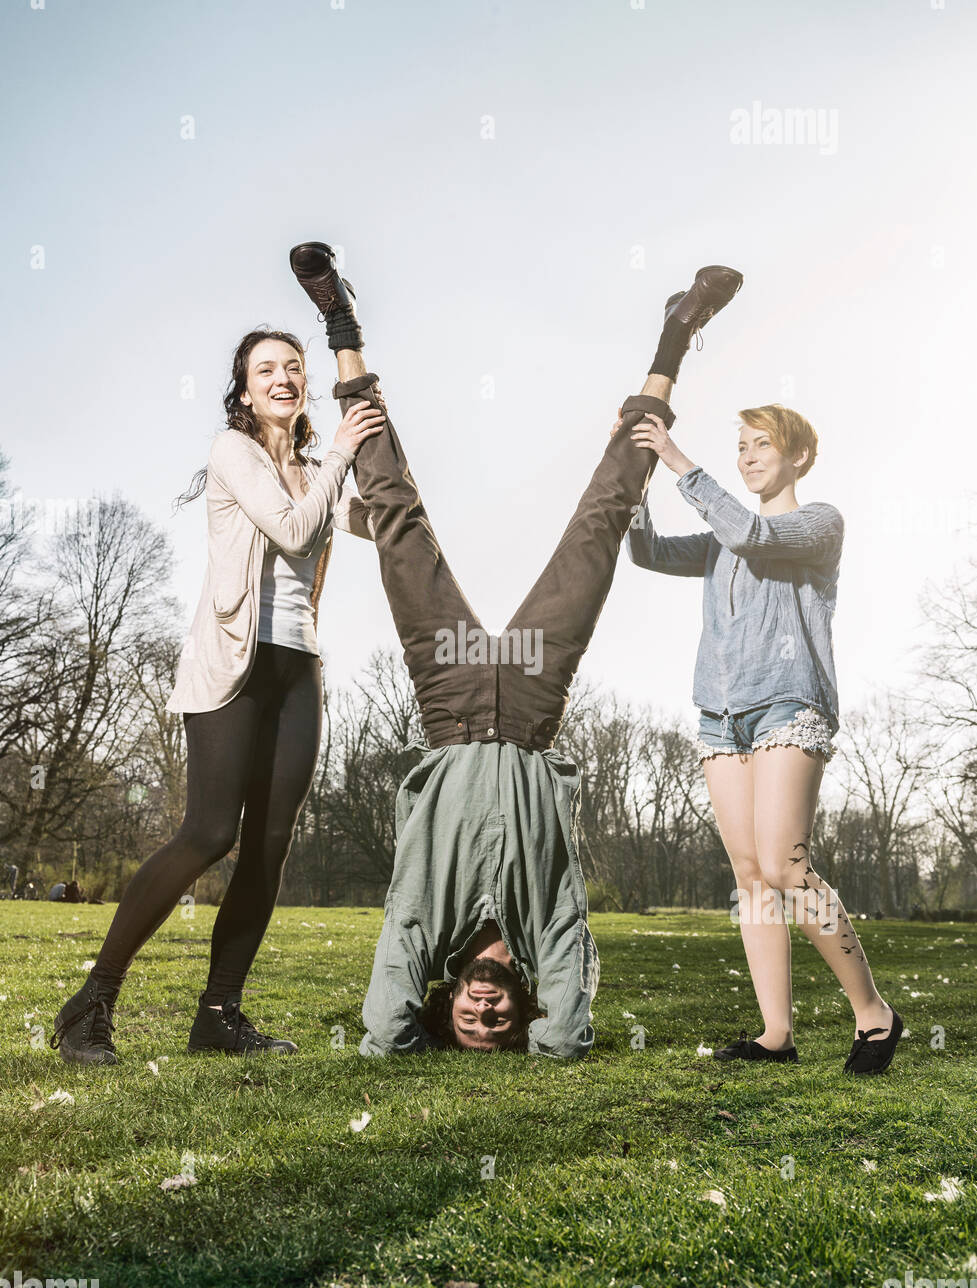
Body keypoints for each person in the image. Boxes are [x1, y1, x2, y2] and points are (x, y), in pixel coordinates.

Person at [289, 242, 743, 1056]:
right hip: (533, 701)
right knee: (601, 522)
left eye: (465, 1022)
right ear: (521, 1010)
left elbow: (385, 1037)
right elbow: (566, 1039)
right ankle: (676, 336)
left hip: (451, 700)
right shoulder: (549, 933)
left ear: (446, 1003)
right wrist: (541, 1032)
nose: (482, 1015)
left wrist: (418, 1036)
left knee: (394, 516)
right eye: (496, 1026)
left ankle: (338, 322)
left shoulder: (423, 927)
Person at [50, 329, 382, 1065]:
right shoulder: (234, 453)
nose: (283, 376)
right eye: (267, 368)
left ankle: (218, 1015)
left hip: (300, 668)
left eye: (295, 366)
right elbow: (295, 531)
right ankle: (91, 1003)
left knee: (269, 850)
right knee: (209, 833)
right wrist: (341, 456)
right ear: (244, 389)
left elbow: (375, 522)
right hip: (232, 664)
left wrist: (380, 475)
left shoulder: (310, 467)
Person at [626, 402, 903, 1076]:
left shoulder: (816, 523)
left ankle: (874, 1014)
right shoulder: (722, 537)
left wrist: (674, 459)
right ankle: (775, 1034)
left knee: (785, 866)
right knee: (752, 877)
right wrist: (630, 479)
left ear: (797, 457)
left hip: (788, 701)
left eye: (762, 445)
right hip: (720, 714)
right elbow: (648, 552)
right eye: (741, 446)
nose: (747, 457)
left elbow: (751, 533)